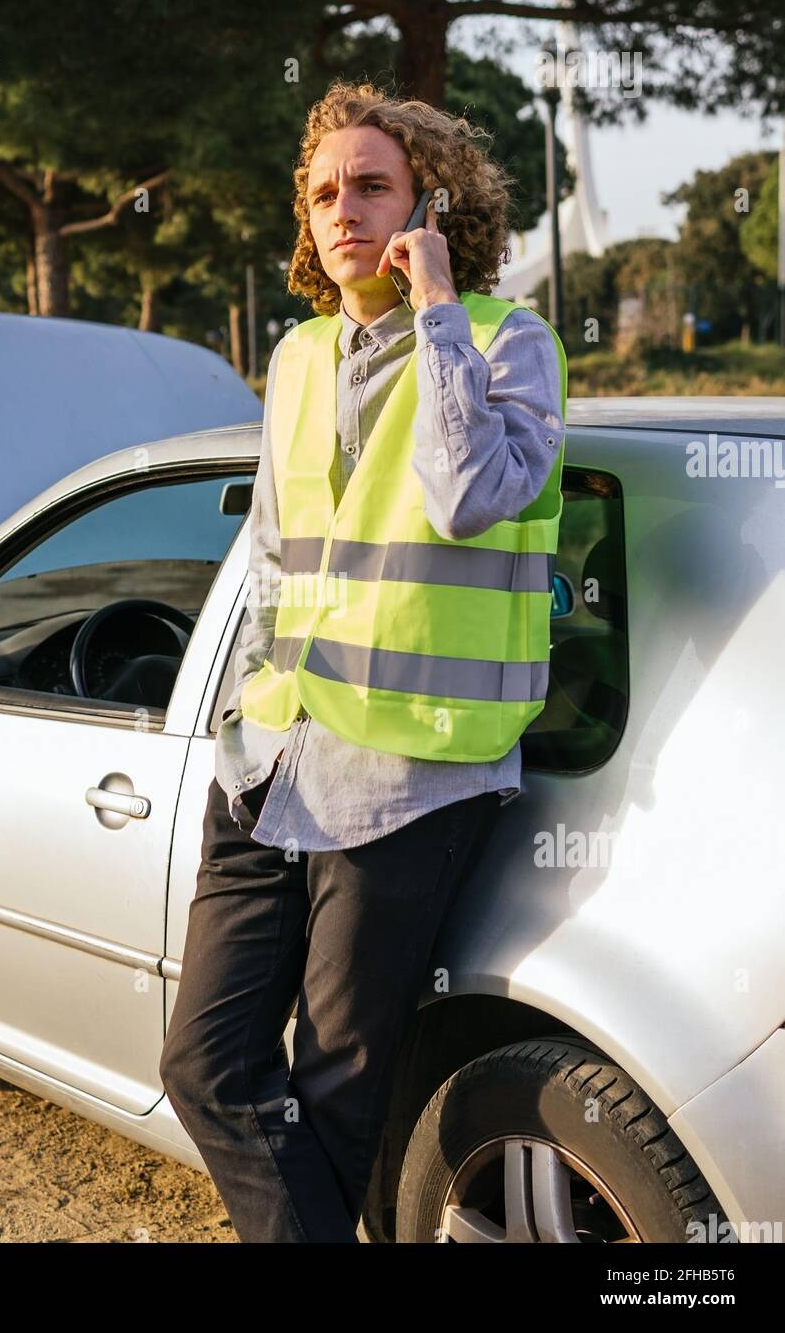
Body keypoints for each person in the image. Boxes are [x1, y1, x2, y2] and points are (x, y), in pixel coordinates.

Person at [159, 79, 567, 1243]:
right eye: (324, 191)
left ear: (433, 204)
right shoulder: (293, 358)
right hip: (273, 762)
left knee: (338, 1102)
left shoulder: (507, 339)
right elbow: (275, 555)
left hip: (408, 776)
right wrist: (240, 707)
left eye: (374, 186)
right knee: (204, 1065)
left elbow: (473, 491)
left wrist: (436, 307)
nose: (343, 210)